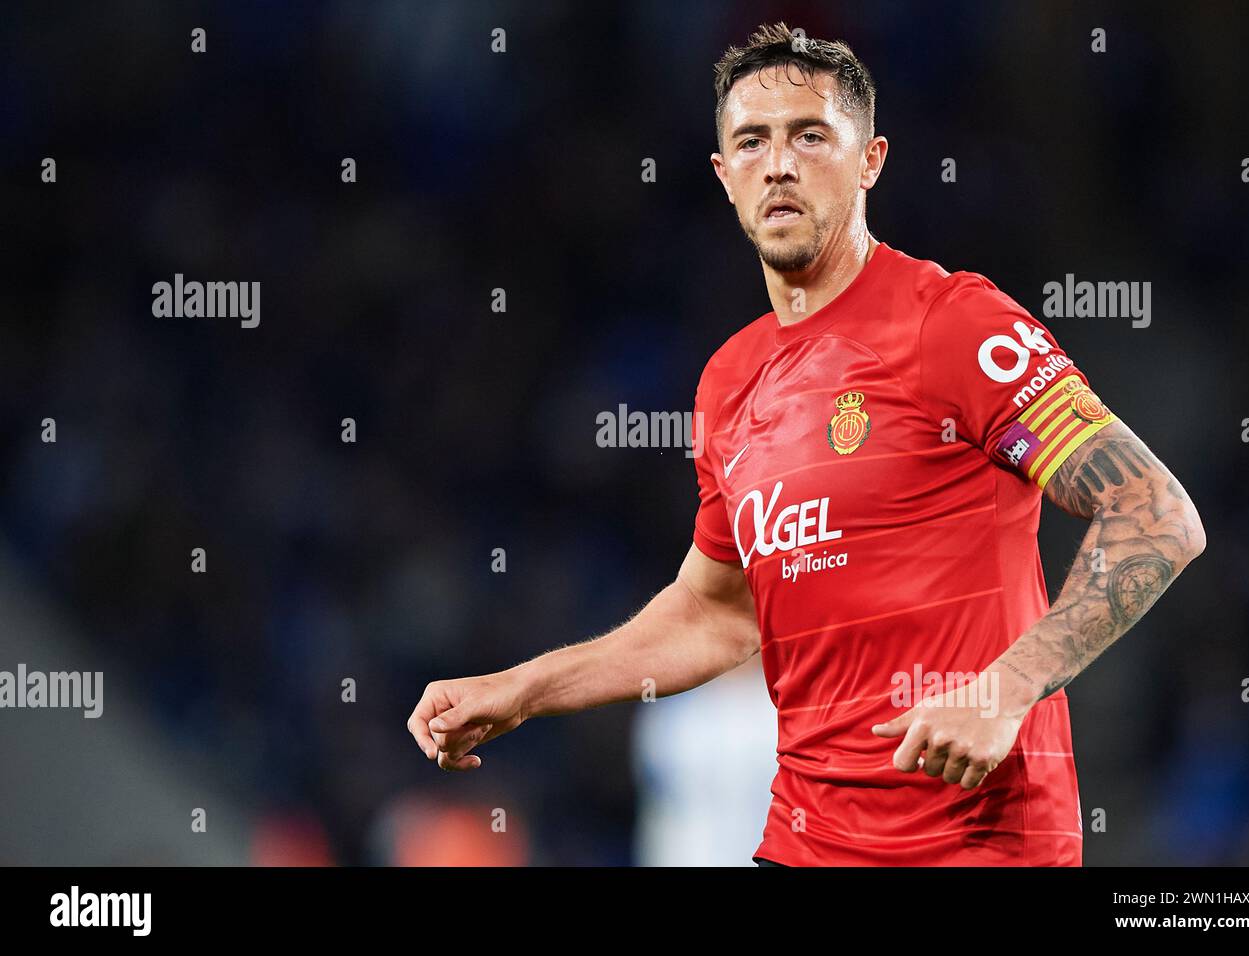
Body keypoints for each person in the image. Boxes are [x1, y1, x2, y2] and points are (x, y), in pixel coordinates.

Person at [407, 22, 1206, 866]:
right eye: (751, 142)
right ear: (724, 176)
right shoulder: (731, 380)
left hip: (979, 845)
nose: (778, 164)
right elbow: (716, 611)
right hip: (803, 842)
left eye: (810, 136)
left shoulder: (954, 324)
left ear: (871, 161)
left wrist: (1008, 686)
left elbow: (1156, 511)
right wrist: (520, 690)